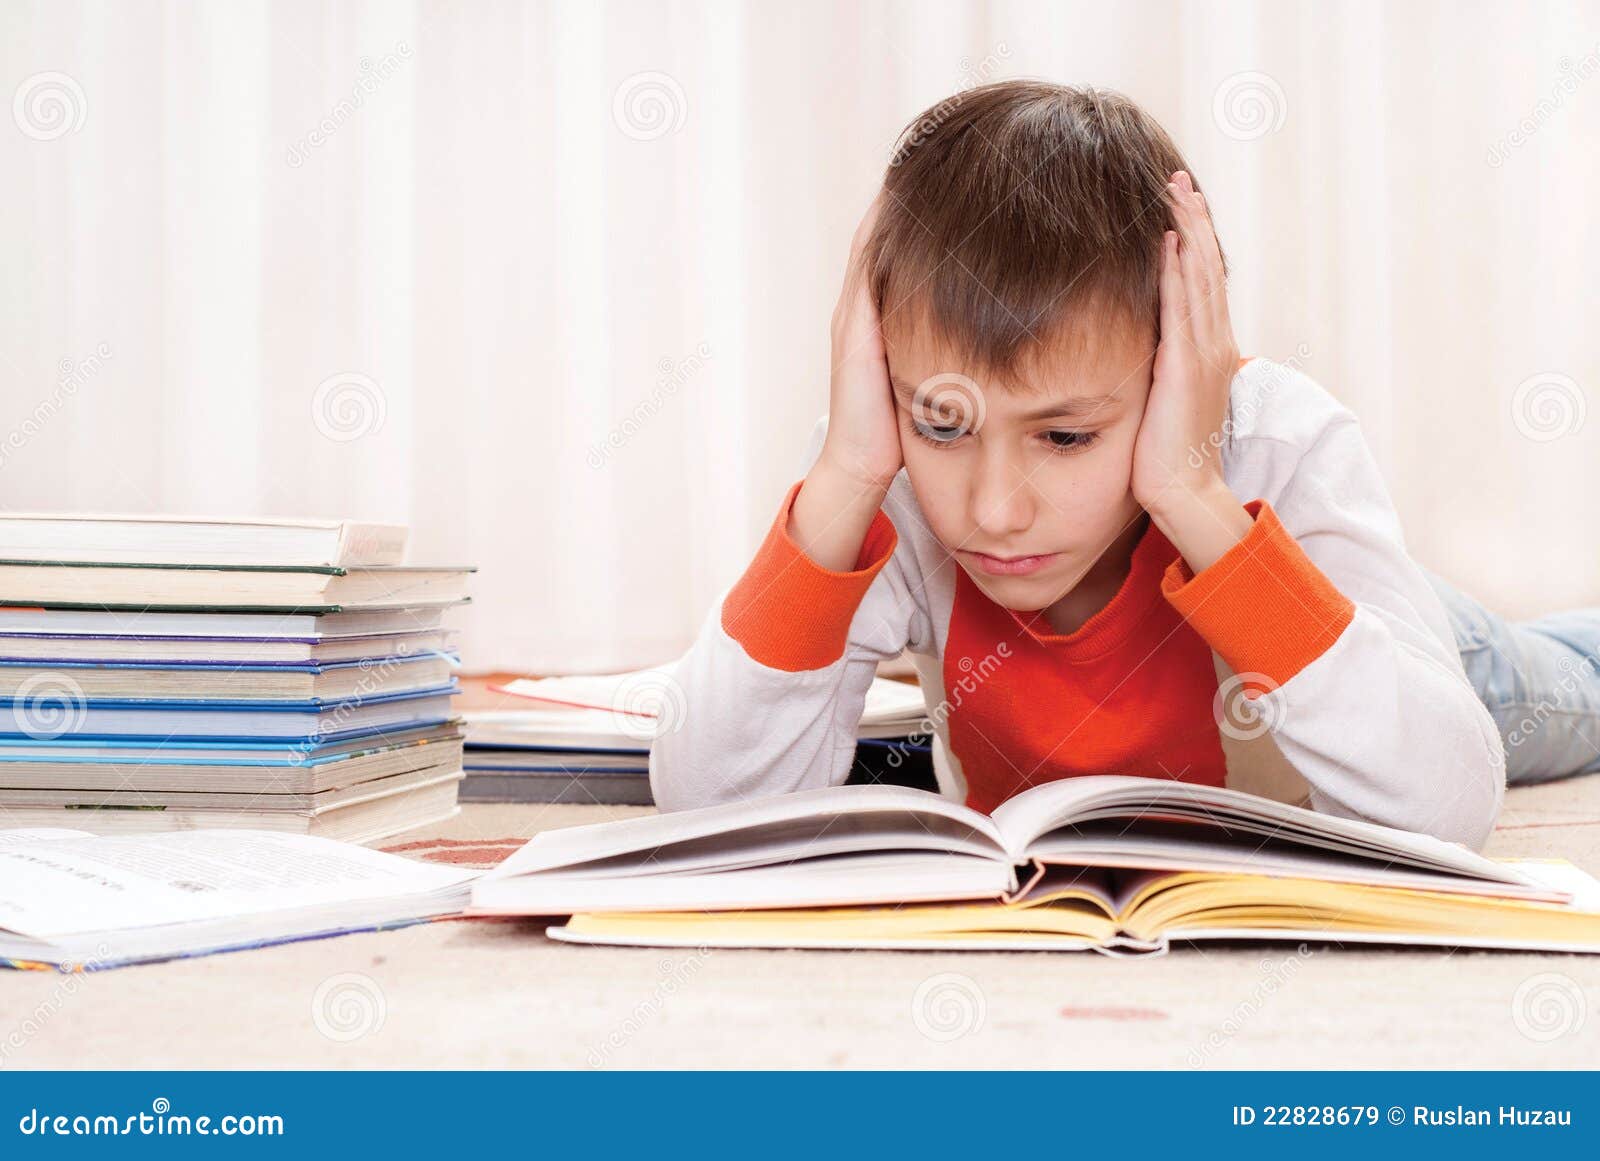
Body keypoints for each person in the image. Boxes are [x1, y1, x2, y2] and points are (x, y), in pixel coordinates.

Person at [649, 80, 1593, 850]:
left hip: (1385, 635)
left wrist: (1188, 488)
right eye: (941, 424)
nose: (993, 509)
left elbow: (1449, 805)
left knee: (1565, 684)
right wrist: (849, 469)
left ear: (1176, 367)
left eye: (1065, 437)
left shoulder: (1278, 441)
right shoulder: (885, 471)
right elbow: (707, 805)